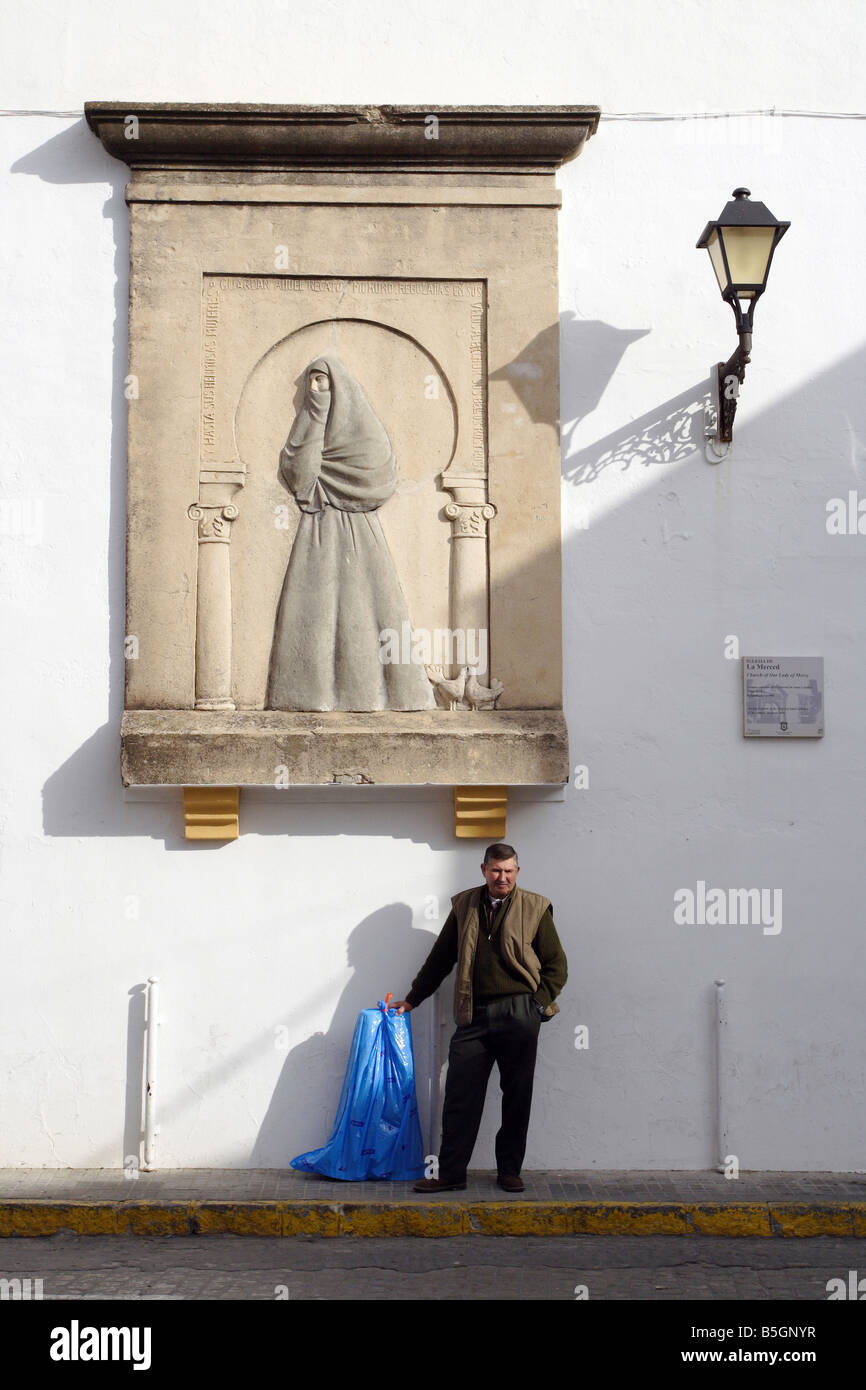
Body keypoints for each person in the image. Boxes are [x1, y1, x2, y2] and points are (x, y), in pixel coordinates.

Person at [391, 843, 567, 1193]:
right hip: (473, 1015)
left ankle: (509, 1172)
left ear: (517, 872)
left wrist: (536, 1005)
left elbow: (557, 966)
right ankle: (452, 1174)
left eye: (509, 871)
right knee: (459, 1096)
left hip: (519, 1012)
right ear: (484, 869)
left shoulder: (535, 907)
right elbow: (440, 960)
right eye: (496, 870)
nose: (502, 877)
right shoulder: (464, 905)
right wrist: (412, 999)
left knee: (517, 1095)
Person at [266, 354, 435, 712]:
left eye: (322, 381)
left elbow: (377, 478)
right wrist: (316, 414)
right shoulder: (307, 425)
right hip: (318, 533)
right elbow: (301, 478)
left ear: (339, 386)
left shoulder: (366, 433)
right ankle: (310, 696)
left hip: (360, 533)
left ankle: (375, 695)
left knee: (366, 611)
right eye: (311, 381)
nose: (314, 388)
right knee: (314, 612)